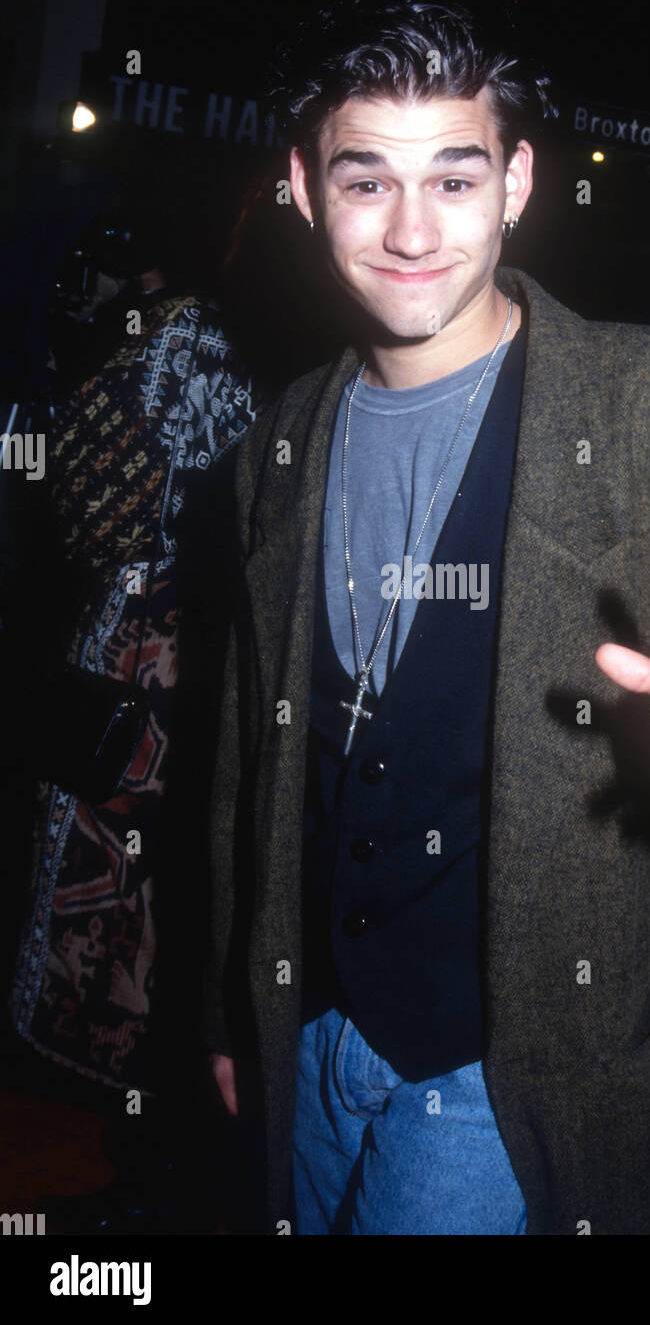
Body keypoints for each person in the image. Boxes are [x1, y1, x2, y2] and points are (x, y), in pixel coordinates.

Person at [204, 0, 650, 1235]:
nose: (412, 230)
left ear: (517, 184)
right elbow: (250, 767)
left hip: (514, 1069)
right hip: (312, 1032)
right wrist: (236, 1009)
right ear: (301, 187)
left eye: (455, 181)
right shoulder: (276, 441)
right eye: (366, 181)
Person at [6, 294, 258, 1231]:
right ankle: (162, 1170)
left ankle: (155, 1169)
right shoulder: (309, 350)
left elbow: (71, 501)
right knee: (184, 921)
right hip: (203, 666)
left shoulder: (168, 336)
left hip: (146, 662)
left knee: (148, 924)